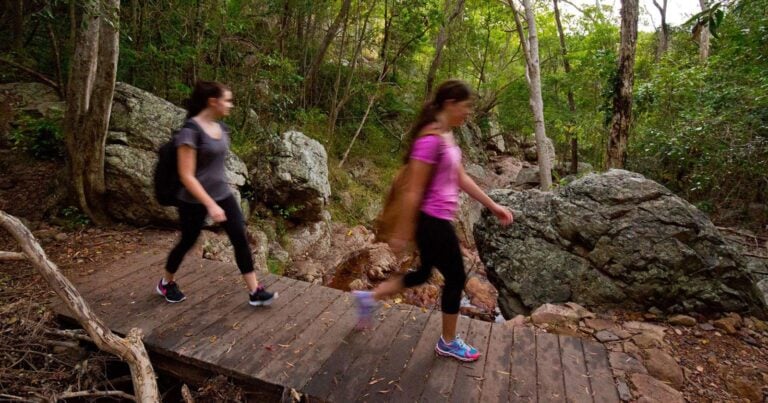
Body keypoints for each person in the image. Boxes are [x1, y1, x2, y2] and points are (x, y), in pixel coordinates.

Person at [353, 80, 513, 362]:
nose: (468, 114)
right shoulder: (429, 140)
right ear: (450, 104)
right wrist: (402, 233)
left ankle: (368, 298)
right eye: (465, 107)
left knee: (422, 274)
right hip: (432, 221)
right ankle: (448, 342)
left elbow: (460, 177)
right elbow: (413, 190)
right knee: (456, 278)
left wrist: (492, 205)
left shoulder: (446, 135)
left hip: (437, 219)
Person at [157, 81, 276, 307]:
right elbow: (187, 176)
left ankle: (255, 292)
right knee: (187, 241)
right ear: (213, 101)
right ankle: (166, 282)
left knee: (240, 238)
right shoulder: (189, 132)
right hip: (193, 200)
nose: (230, 105)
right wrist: (210, 204)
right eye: (227, 100)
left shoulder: (221, 129)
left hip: (223, 194)